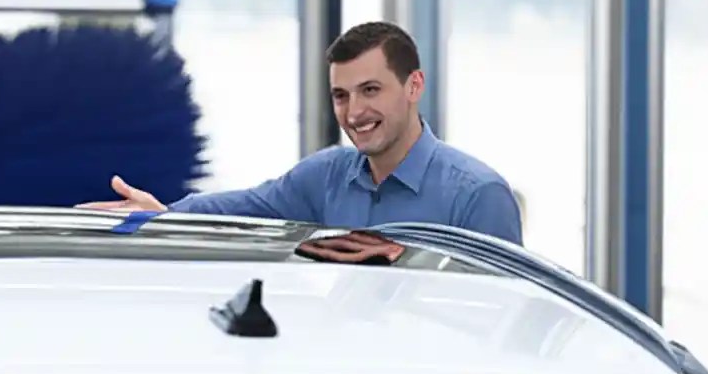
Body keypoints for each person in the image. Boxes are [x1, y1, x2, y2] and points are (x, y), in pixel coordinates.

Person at [79, 20, 523, 246]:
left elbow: (509, 329)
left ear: (414, 86)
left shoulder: (478, 196)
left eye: (370, 90)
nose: (354, 112)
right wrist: (162, 214)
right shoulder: (327, 175)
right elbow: (242, 208)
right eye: (341, 96)